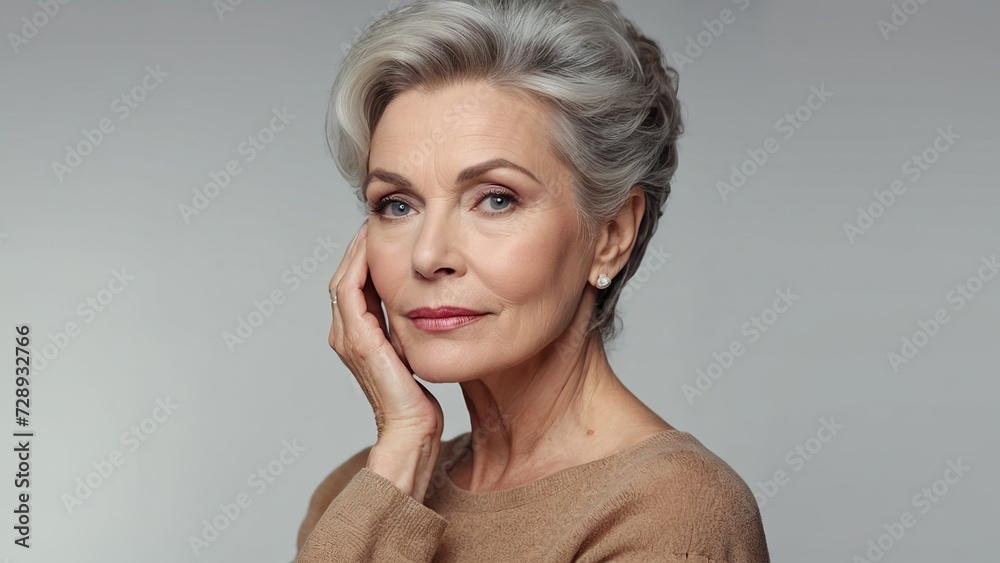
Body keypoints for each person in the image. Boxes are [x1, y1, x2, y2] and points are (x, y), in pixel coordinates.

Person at [295, 0, 770, 560]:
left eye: (496, 199)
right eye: (397, 205)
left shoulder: (670, 510)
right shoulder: (365, 490)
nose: (428, 255)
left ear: (611, 234)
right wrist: (401, 447)